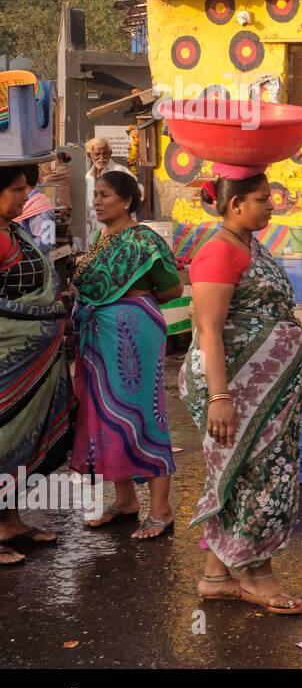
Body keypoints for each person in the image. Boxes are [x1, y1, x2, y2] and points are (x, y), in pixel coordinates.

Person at [182, 164, 302, 614]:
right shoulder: (218, 253)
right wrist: (220, 398)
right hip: (233, 387)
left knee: (240, 473)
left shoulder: (251, 246)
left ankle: (216, 575)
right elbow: (209, 330)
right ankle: (257, 575)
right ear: (236, 205)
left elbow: (278, 314)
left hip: (267, 389)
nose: (272, 206)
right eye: (264, 199)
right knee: (260, 476)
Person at [70, 170, 184, 539]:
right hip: (97, 334)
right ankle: (125, 501)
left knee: (143, 412)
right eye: (96, 195)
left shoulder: (144, 240)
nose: (97, 201)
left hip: (134, 334)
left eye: (104, 195)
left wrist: (130, 302)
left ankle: (161, 509)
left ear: (127, 201)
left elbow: (172, 287)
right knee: (106, 414)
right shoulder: (100, 239)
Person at [0, 164, 73, 566]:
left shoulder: (13, 231)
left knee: (20, 441)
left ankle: (9, 522)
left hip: (30, 361)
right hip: (7, 361)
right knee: (3, 439)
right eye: (15, 191)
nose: (24, 198)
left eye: (26, 189)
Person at [83, 138, 133, 236]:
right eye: (97, 154)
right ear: (89, 155)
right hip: (96, 232)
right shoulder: (88, 176)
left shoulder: (120, 171)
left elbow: (140, 194)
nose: (102, 157)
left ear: (110, 153)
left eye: (105, 153)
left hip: (119, 232)